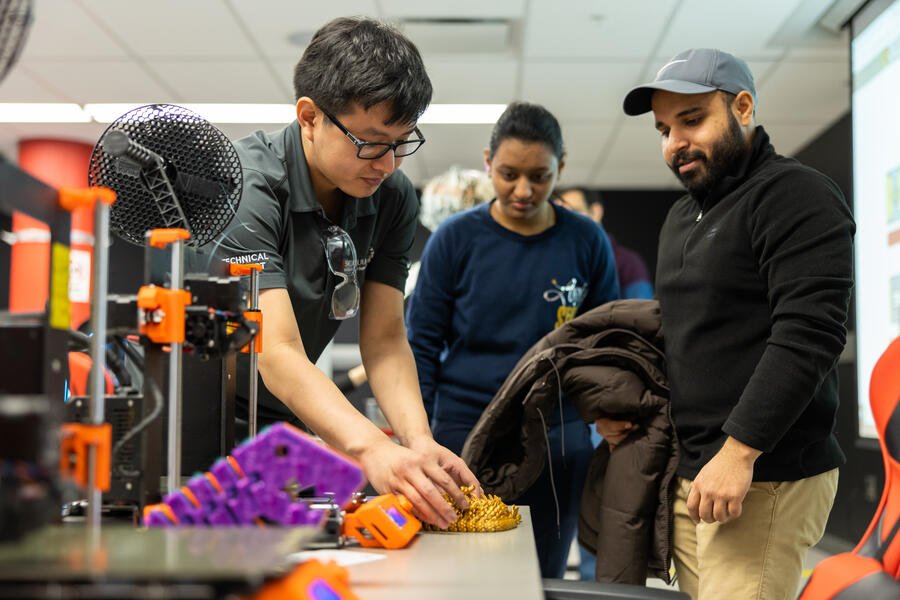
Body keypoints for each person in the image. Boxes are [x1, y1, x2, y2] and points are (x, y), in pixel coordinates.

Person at [192, 16, 480, 529]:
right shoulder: (245, 187)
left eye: (402, 142)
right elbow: (275, 349)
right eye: (370, 142)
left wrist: (417, 444)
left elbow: (387, 339)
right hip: (190, 414)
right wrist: (371, 447)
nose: (387, 163)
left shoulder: (391, 198)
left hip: (279, 412)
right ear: (309, 116)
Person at [607, 48, 854, 598]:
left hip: (764, 473)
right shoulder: (681, 217)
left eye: (692, 120)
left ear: (742, 107)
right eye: (664, 129)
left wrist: (739, 453)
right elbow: (689, 342)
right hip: (694, 472)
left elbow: (809, 334)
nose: (675, 144)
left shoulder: (796, 195)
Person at [406, 102, 620, 577]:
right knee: (458, 569)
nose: (523, 190)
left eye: (539, 176)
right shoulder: (455, 239)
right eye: (508, 174)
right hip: (464, 426)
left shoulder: (586, 240)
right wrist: (415, 437)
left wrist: (607, 414)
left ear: (560, 168)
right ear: (488, 162)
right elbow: (419, 345)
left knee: (541, 572)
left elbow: (608, 343)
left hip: (557, 429)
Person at [556, 187, 653, 300]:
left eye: (574, 212)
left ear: (596, 211)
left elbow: (639, 312)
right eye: (562, 216)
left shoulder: (627, 263)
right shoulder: (558, 262)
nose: (567, 222)